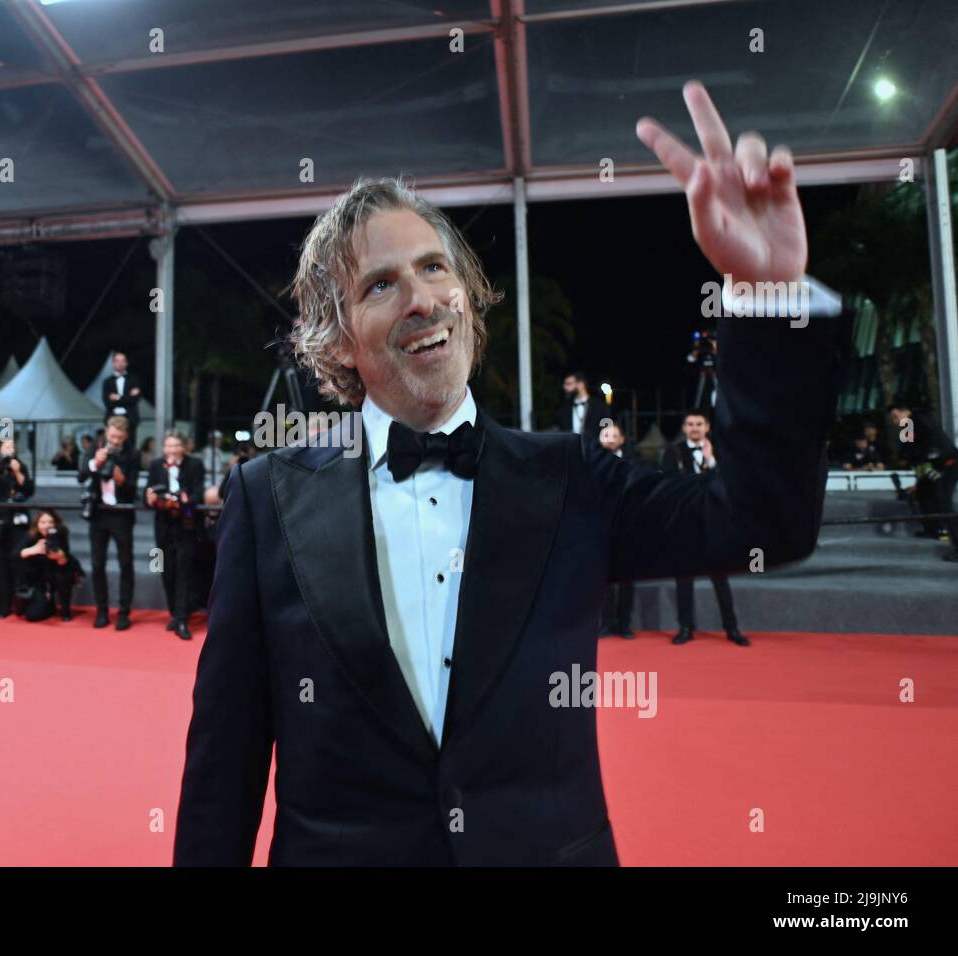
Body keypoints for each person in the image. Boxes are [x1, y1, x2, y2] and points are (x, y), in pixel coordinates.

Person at [174, 82, 845, 866]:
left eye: (434, 268)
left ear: (467, 298)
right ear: (339, 341)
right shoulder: (268, 500)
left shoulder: (574, 479)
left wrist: (767, 294)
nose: (422, 298)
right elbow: (224, 763)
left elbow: (766, 522)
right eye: (380, 284)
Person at [661, 410, 748, 646]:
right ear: (684, 427)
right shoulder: (673, 451)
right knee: (684, 579)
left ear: (707, 427)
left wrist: (710, 461)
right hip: (685, 523)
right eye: (690, 424)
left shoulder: (720, 452)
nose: (694, 428)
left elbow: (729, 484)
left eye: (699, 424)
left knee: (720, 579)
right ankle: (685, 627)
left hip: (714, 524)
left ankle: (732, 628)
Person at [79, 415, 138, 630]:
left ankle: (124, 612)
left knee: (125, 564)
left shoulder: (132, 453)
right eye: (112, 436)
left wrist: (122, 479)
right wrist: (96, 462)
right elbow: (81, 476)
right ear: (106, 431)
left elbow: (133, 490)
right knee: (97, 564)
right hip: (98, 513)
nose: (115, 441)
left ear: (125, 436)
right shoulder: (94, 447)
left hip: (121, 514)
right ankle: (101, 611)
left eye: (119, 438)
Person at [145, 432, 205, 640]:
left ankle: (182, 618)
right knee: (166, 570)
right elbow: (147, 495)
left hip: (186, 524)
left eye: (176, 445)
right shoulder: (155, 465)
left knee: (184, 572)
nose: (172, 450)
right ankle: (174, 612)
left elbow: (198, 494)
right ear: (163, 448)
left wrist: (181, 502)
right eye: (168, 446)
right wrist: (152, 498)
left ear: (183, 447)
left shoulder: (195, 464)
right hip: (162, 525)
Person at [889, 403, 958, 561]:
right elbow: (910, 450)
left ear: (906, 411)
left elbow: (915, 446)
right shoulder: (912, 425)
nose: (894, 422)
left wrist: (909, 453)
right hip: (938, 464)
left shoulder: (917, 420)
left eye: (895, 416)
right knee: (924, 490)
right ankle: (932, 528)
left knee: (944, 504)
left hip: (948, 464)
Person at [0, 437, 33, 618]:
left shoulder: (20, 466)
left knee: (19, 562)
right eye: (6, 447)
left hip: (18, 522)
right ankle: (0, 606)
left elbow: (29, 490)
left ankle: (20, 604)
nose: (10, 450)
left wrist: (18, 472)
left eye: (12, 447)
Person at [596, 422, 637, 639]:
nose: (610, 438)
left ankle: (624, 623)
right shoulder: (590, 464)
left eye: (614, 435)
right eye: (606, 434)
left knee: (627, 580)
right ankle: (607, 623)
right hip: (601, 528)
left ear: (621, 440)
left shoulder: (633, 464)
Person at [15, 510, 81, 622]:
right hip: (38, 577)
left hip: (59, 572)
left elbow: (65, 560)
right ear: (37, 524)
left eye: (50, 522)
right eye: (43, 522)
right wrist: (32, 550)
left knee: (63, 576)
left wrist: (60, 557)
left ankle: (66, 610)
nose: (47, 525)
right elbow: (15, 555)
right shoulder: (31, 535)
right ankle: (49, 604)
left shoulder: (61, 533)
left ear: (55, 524)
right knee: (32, 615)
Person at [102, 351, 143, 448]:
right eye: (117, 361)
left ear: (126, 363)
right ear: (113, 363)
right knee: (111, 443)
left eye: (122, 361)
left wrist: (117, 398)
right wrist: (127, 397)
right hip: (112, 417)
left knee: (130, 444)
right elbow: (107, 402)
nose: (120, 364)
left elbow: (135, 400)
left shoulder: (134, 379)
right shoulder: (107, 381)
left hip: (130, 418)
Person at [554, 371, 604, 447]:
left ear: (580, 384)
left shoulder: (600, 406)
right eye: (564, 384)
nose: (564, 387)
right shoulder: (563, 408)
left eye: (569, 384)